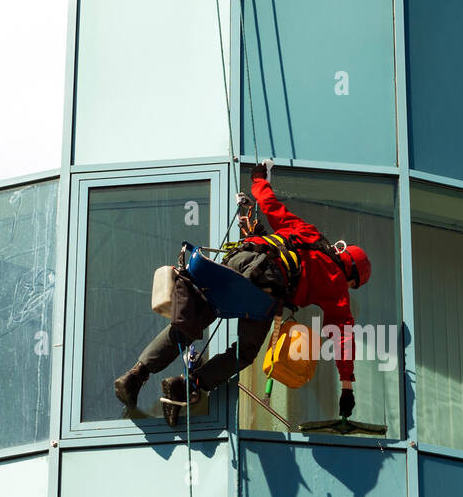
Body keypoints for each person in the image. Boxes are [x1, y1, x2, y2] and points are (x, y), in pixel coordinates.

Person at [114, 159, 371, 426]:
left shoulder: (308, 232)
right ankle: (191, 383)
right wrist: (346, 387)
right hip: (266, 285)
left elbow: (270, 205)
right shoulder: (337, 281)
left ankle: (135, 375)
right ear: (351, 273)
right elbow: (343, 338)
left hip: (239, 259)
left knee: (191, 320)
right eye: (353, 285)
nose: (349, 289)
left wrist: (258, 177)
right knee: (246, 351)